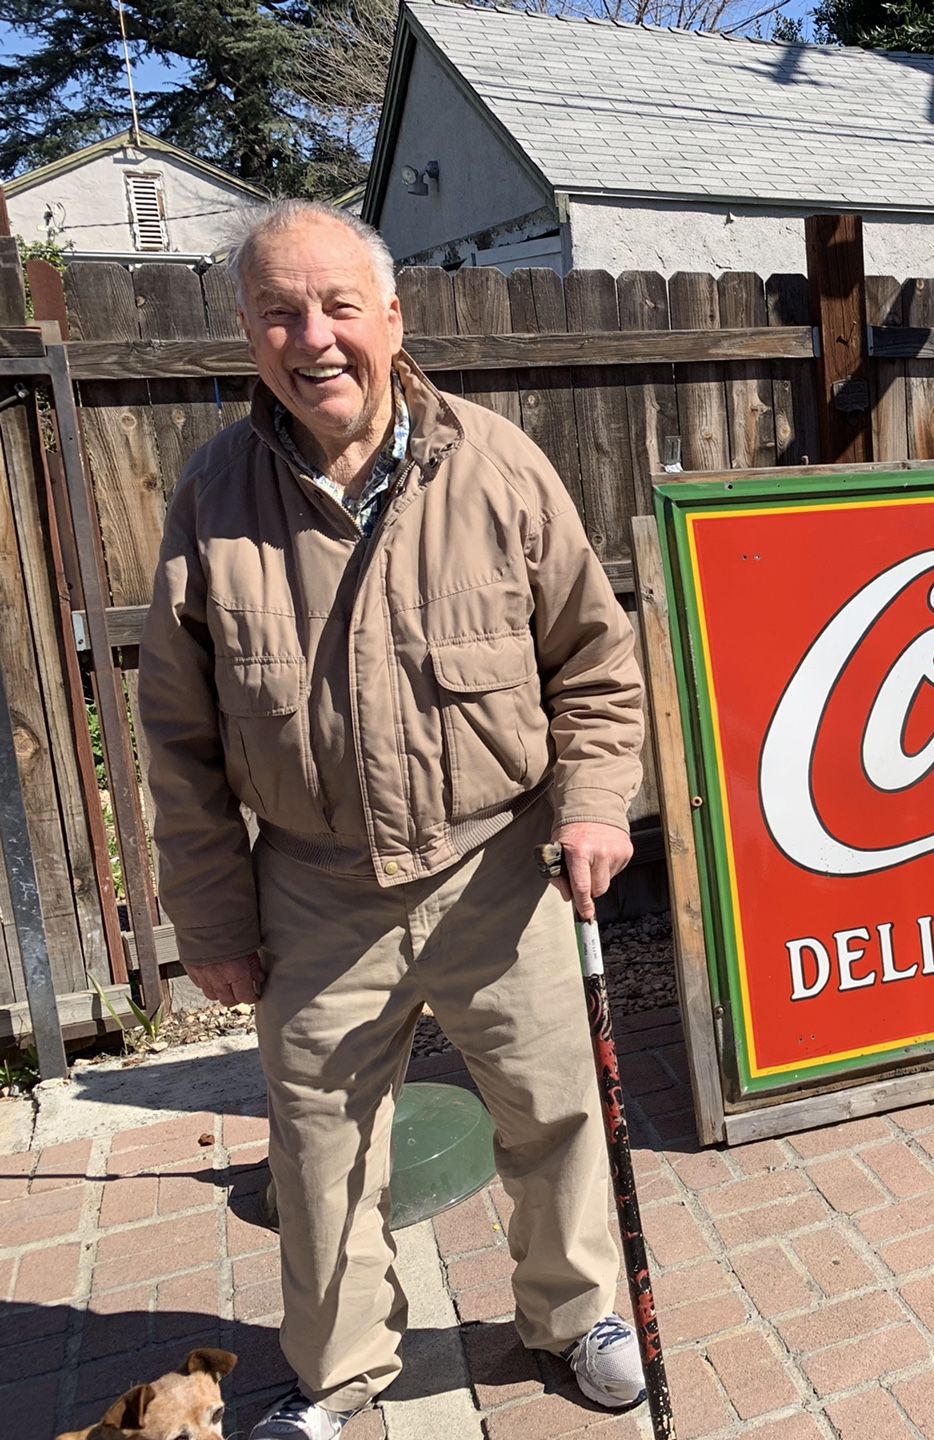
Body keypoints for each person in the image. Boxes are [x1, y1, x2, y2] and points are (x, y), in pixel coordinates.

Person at [139, 200, 650, 1440]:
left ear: (392, 319)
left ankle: (576, 1313)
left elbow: (595, 664)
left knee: (555, 1108)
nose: (311, 336)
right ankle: (339, 1375)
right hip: (314, 890)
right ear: (250, 334)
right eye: (278, 312)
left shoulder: (498, 466)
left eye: (336, 306)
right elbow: (179, 735)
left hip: (498, 870)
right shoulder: (214, 496)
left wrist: (592, 805)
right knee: (317, 1156)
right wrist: (210, 916)